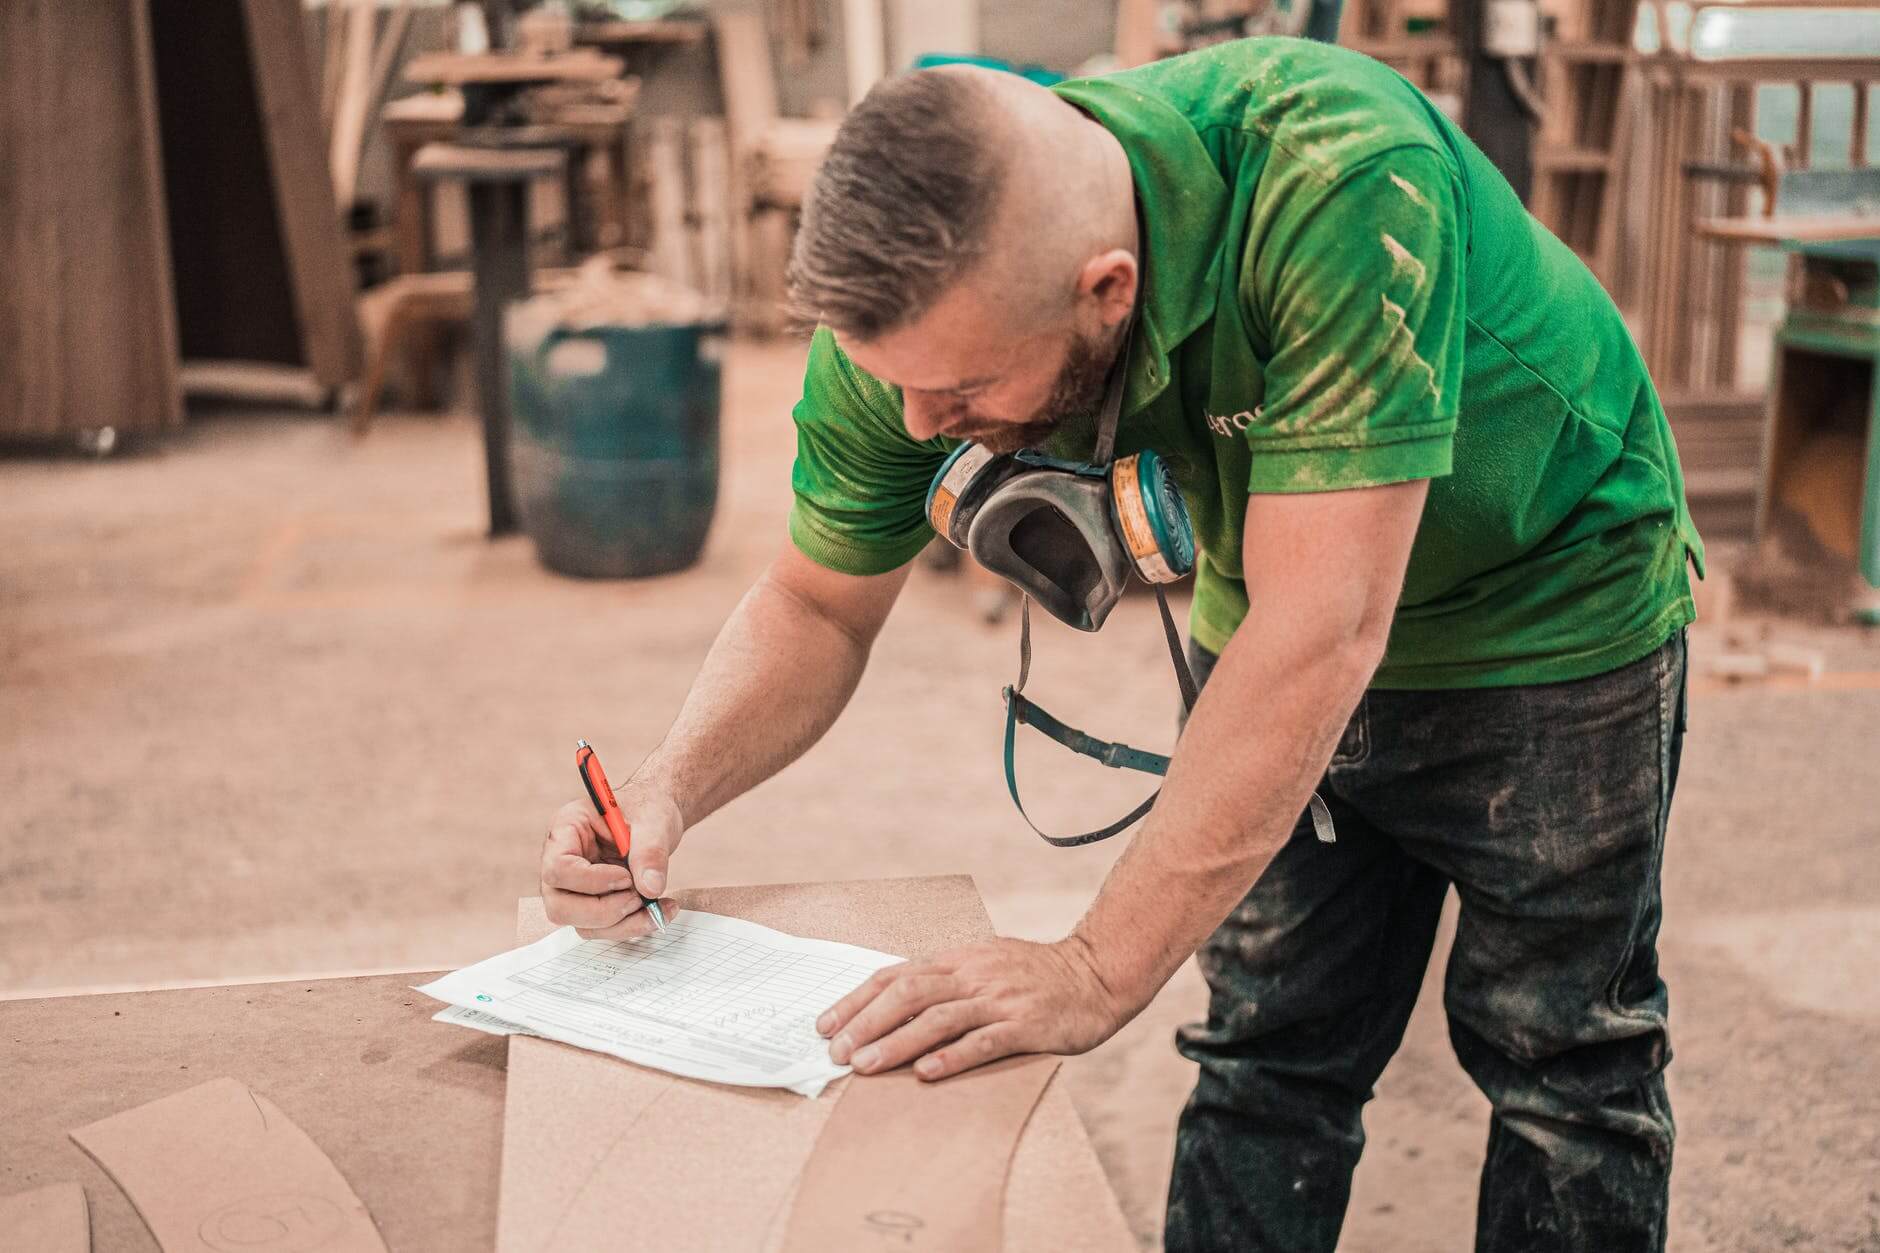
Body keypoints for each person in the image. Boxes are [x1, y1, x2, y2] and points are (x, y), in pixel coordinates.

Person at [538, 38, 1702, 1252]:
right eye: (899, 388)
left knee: (1563, 1069)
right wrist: (667, 785)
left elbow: (1322, 631)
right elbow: (818, 602)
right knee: (1266, 1052)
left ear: (1106, 290)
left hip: (1549, 611)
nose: (920, 424)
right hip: (1275, 616)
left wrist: (1095, 965)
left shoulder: (1339, 175)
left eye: (962, 388)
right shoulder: (909, 323)